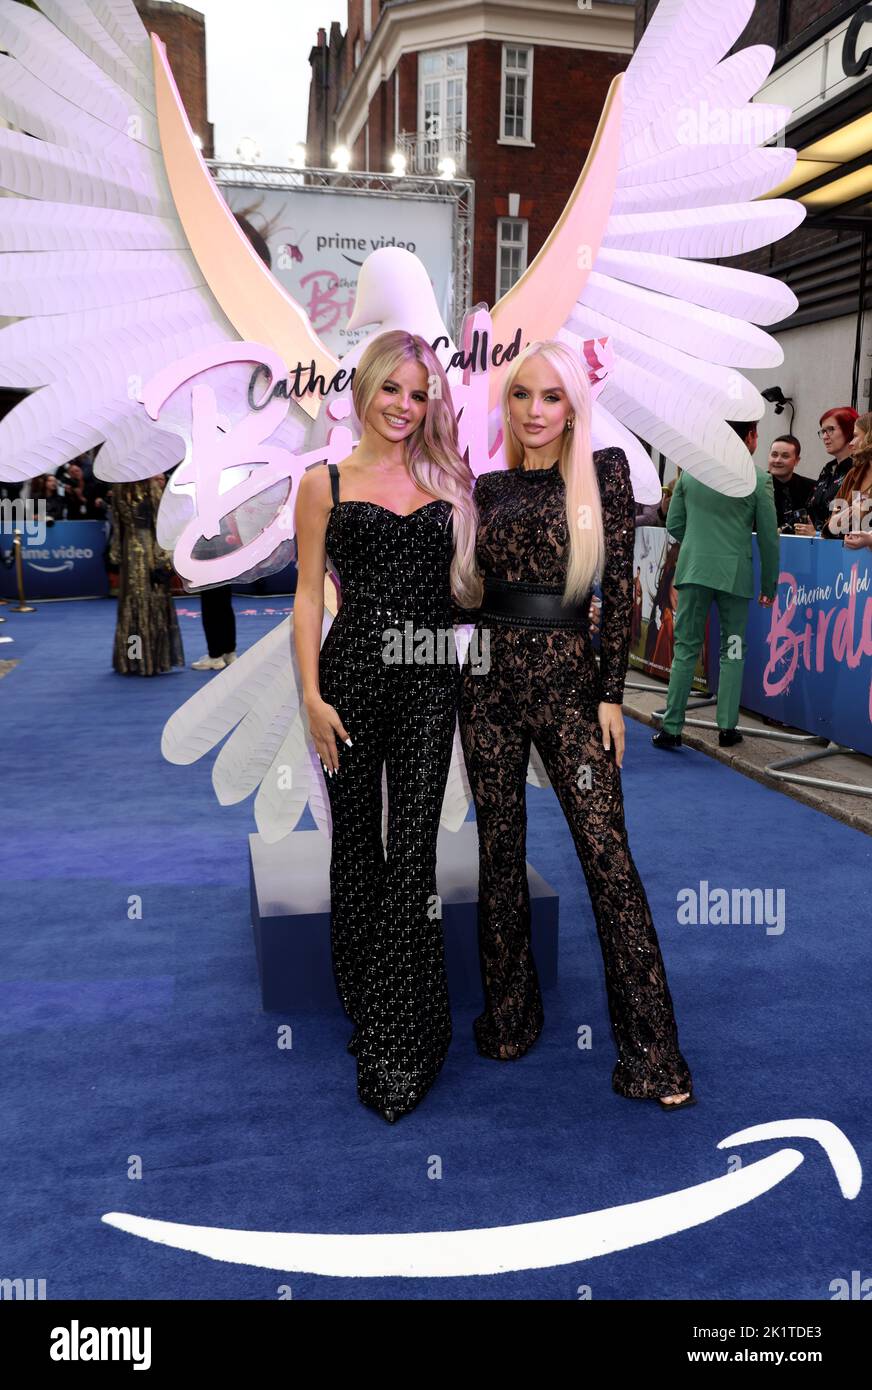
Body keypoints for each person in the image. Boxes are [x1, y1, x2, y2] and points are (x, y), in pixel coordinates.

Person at [459, 340, 694, 1109]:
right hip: (487, 682)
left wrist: (610, 696)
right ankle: (510, 1016)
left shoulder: (606, 475)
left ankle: (654, 1056)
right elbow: (467, 592)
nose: (534, 411)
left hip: (569, 686)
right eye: (521, 395)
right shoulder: (486, 486)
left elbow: (619, 595)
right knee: (499, 853)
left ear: (573, 405)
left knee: (607, 858)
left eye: (551, 397)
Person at [293, 330, 479, 1124]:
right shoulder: (323, 482)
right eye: (391, 389)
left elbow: (470, 592)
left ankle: (407, 1036)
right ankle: (368, 1000)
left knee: (411, 850)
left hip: (431, 677)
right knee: (354, 845)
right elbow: (307, 596)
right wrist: (309, 695)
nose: (404, 406)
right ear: (364, 390)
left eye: (418, 391)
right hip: (351, 677)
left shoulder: (452, 480)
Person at [652, 420, 779, 751]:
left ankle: (672, 727)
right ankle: (727, 727)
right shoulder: (760, 480)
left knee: (685, 648)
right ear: (750, 438)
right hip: (735, 577)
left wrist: (699, 542)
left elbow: (675, 524)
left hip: (693, 571)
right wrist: (770, 584)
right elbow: (769, 539)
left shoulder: (691, 474)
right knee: (733, 649)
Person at [108, 476, 185, 676]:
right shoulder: (149, 488)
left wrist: (116, 553)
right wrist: (162, 558)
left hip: (130, 553)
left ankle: (133, 660)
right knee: (147, 603)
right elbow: (162, 525)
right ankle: (147, 660)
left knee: (133, 604)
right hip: (146, 552)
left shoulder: (119, 488)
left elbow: (117, 527)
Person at [795, 406, 858, 535]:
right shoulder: (828, 470)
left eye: (830, 430)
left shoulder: (858, 470)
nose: (825, 436)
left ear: (849, 430)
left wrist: (817, 534)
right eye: (823, 431)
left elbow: (857, 520)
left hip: (842, 550)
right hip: (818, 547)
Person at [821, 412, 872, 548]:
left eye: (855, 436)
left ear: (869, 437)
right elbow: (832, 522)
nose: (851, 443)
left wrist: (870, 540)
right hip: (851, 563)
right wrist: (835, 523)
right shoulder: (853, 474)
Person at [766, 434, 813, 532]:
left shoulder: (811, 488)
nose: (778, 460)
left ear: (796, 461)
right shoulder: (756, 486)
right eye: (774, 455)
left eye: (785, 456)